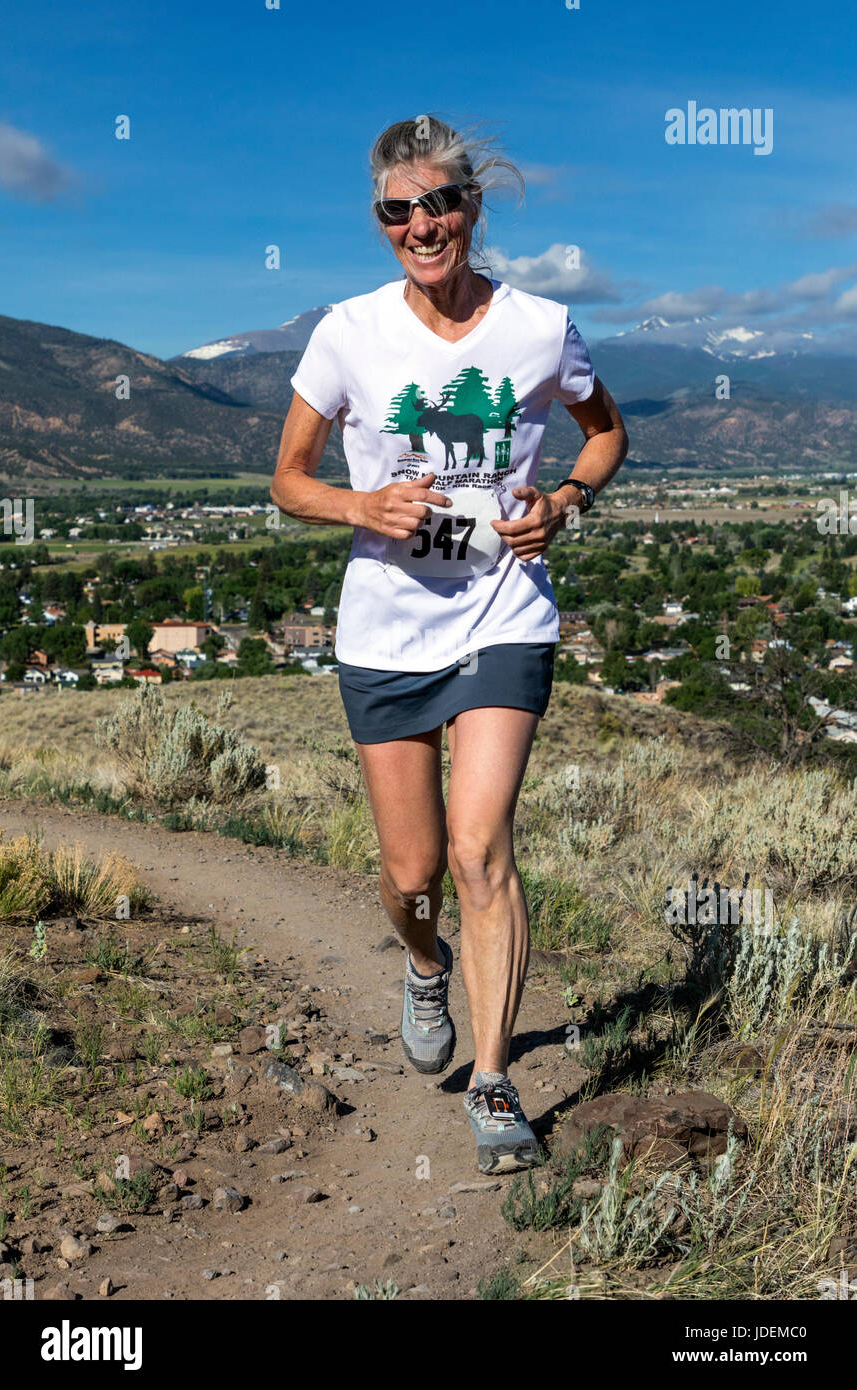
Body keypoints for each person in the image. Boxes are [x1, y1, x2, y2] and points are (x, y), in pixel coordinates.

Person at [270, 115, 628, 1173]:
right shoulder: (345, 332)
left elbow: (602, 432)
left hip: (503, 612)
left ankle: (492, 1078)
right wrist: (358, 506)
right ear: (379, 222)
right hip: (384, 626)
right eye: (398, 210)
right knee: (413, 870)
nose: (421, 224)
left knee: (479, 851)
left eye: (438, 203)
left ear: (470, 208)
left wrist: (561, 500)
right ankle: (423, 963)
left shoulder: (541, 325)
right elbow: (288, 479)